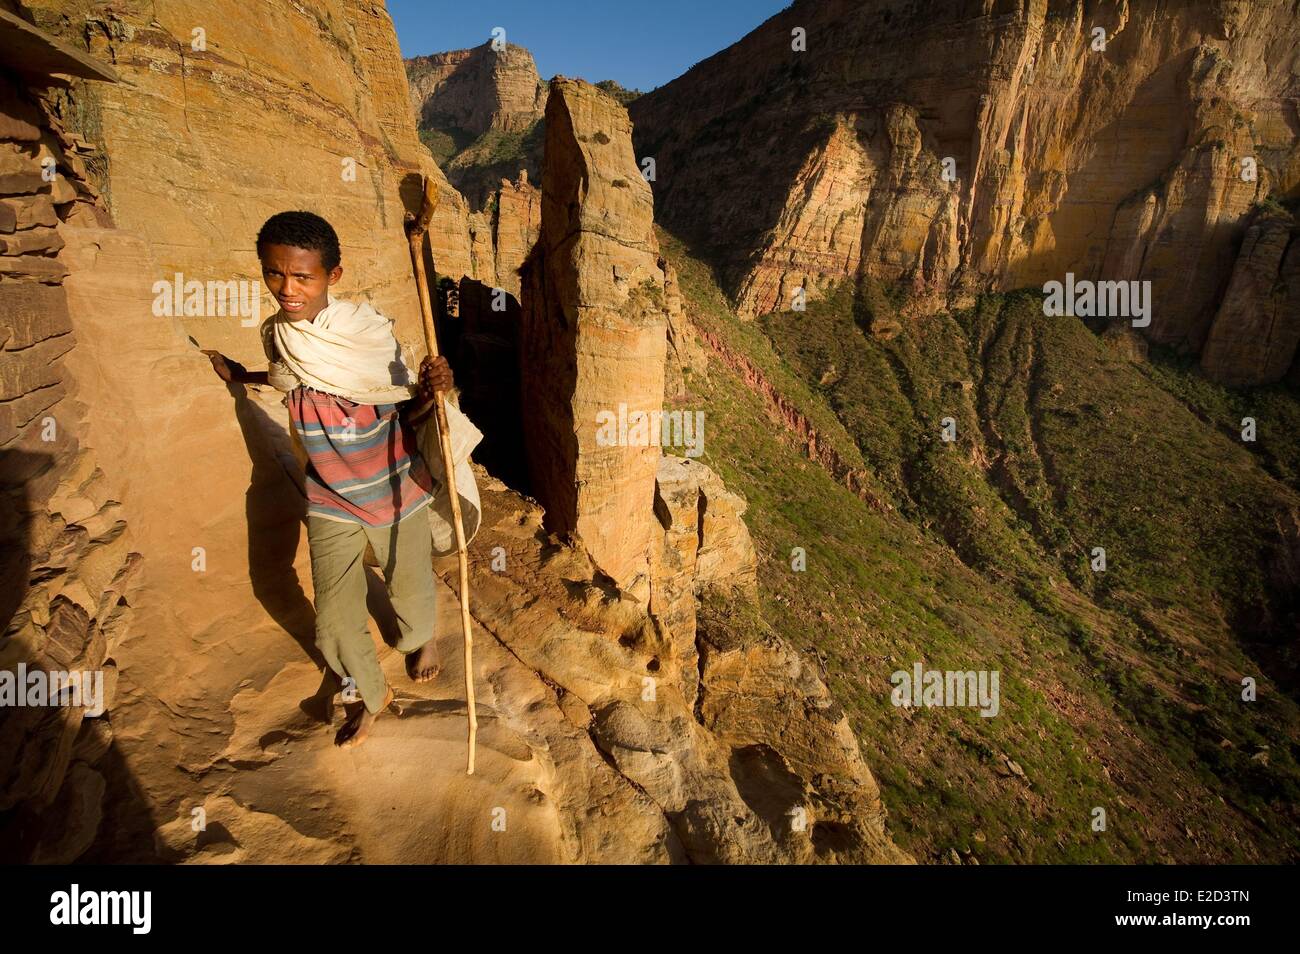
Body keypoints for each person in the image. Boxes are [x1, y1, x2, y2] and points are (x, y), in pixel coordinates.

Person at [204, 210, 452, 749]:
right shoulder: (278, 335)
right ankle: (371, 695)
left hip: (393, 486)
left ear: (331, 277)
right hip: (329, 496)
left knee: (409, 591)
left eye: (302, 276)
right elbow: (286, 377)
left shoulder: (365, 333)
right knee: (334, 624)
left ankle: (421, 639)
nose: (287, 288)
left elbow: (406, 412)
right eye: (274, 273)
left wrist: (433, 391)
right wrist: (240, 375)